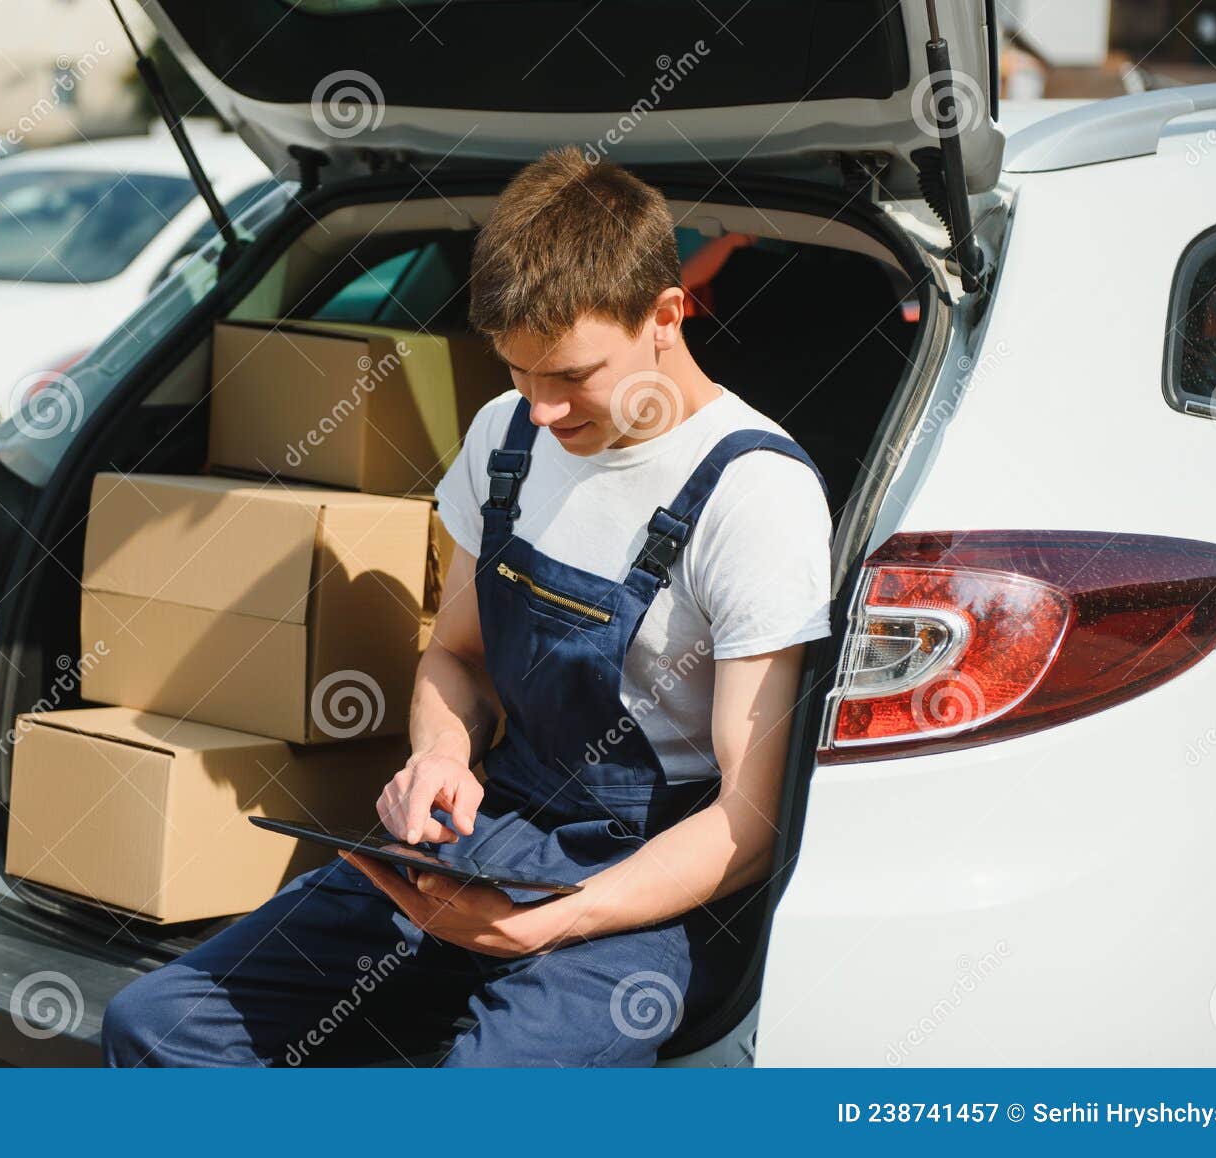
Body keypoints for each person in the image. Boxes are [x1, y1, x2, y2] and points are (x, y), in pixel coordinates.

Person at [102, 146, 833, 1068]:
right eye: (518, 373)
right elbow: (456, 655)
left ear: (666, 314)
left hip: (644, 889)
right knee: (157, 1026)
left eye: (571, 376)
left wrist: (549, 925)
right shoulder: (505, 437)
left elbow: (751, 822)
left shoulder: (753, 493)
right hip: (487, 841)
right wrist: (442, 757)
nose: (540, 410)